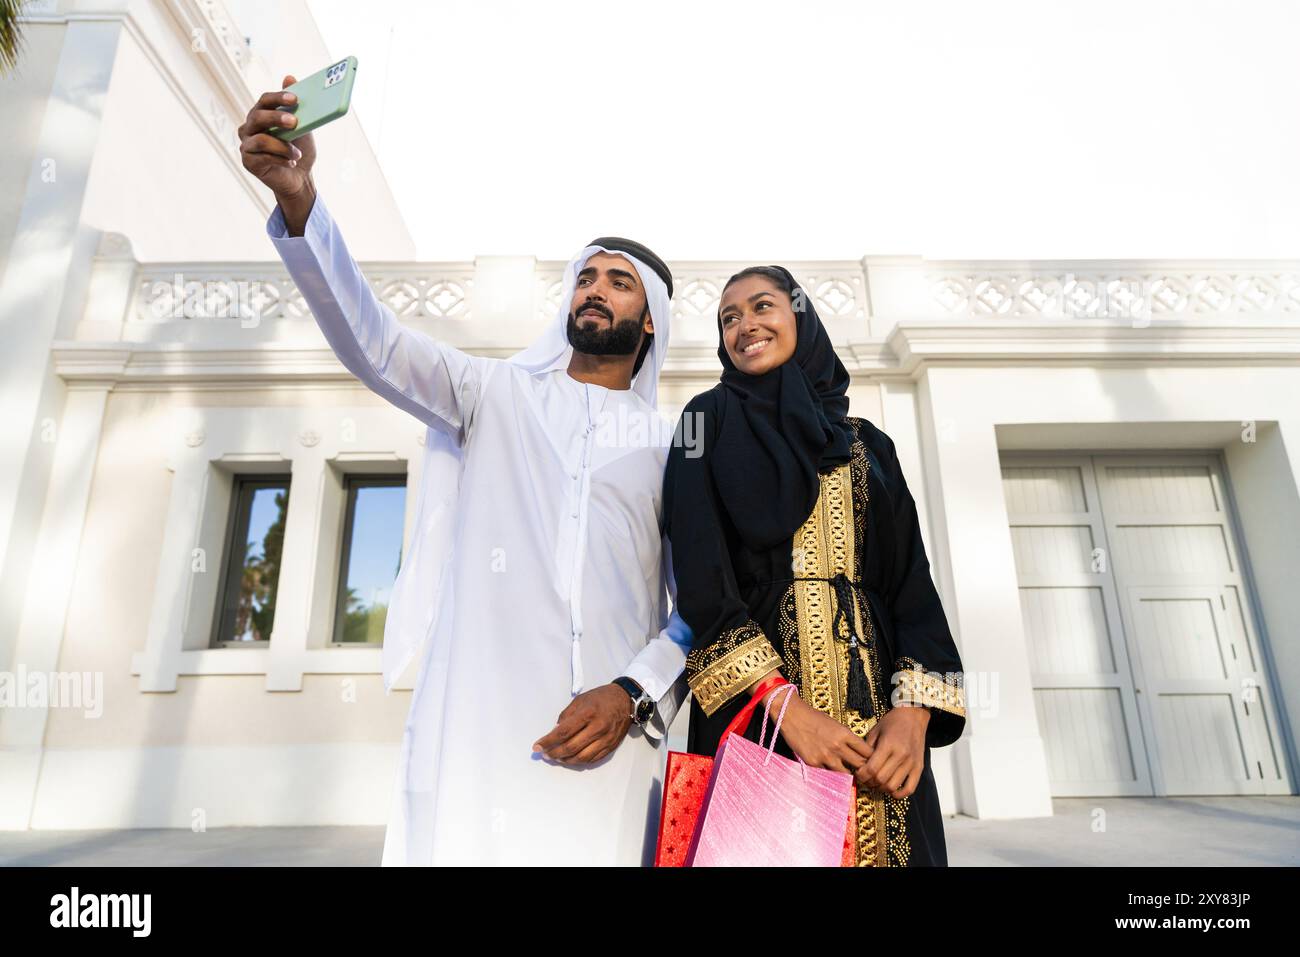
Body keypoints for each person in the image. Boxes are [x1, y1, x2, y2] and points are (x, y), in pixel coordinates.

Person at [238, 77, 691, 865]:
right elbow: (374, 344)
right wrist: (301, 202)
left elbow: (699, 603)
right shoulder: (494, 393)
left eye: (618, 283)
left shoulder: (676, 443)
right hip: (481, 736)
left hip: (613, 747)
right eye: (585, 277)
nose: (594, 291)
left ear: (649, 319)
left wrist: (634, 691)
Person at [661, 265, 967, 866]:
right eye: (728, 318)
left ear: (800, 317)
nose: (744, 325)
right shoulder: (704, 422)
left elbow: (911, 586)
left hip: (878, 715)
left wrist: (912, 716)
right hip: (759, 714)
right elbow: (700, 578)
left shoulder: (869, 443)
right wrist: (783, 708)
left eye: (762, 306)